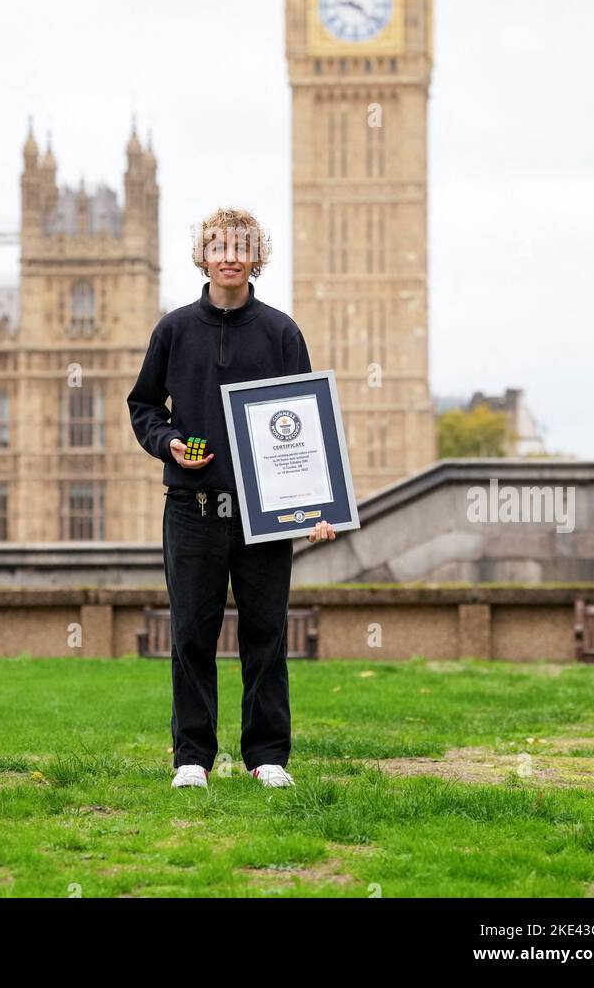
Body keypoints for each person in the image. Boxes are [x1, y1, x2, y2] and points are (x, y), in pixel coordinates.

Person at [126, 208, 335, 790]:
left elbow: (304, 426)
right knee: (191, 633)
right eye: (219, 246)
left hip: (263, 515)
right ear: (204, 254)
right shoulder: (173, 330)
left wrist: (316, 506)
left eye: (242, 247)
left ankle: (267, 756)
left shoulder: (281, 333)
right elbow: (143, 407)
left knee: (265, 634)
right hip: (192, 510)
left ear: (255, 257)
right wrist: (169, 445)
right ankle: (192, 756)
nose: (230, 256)